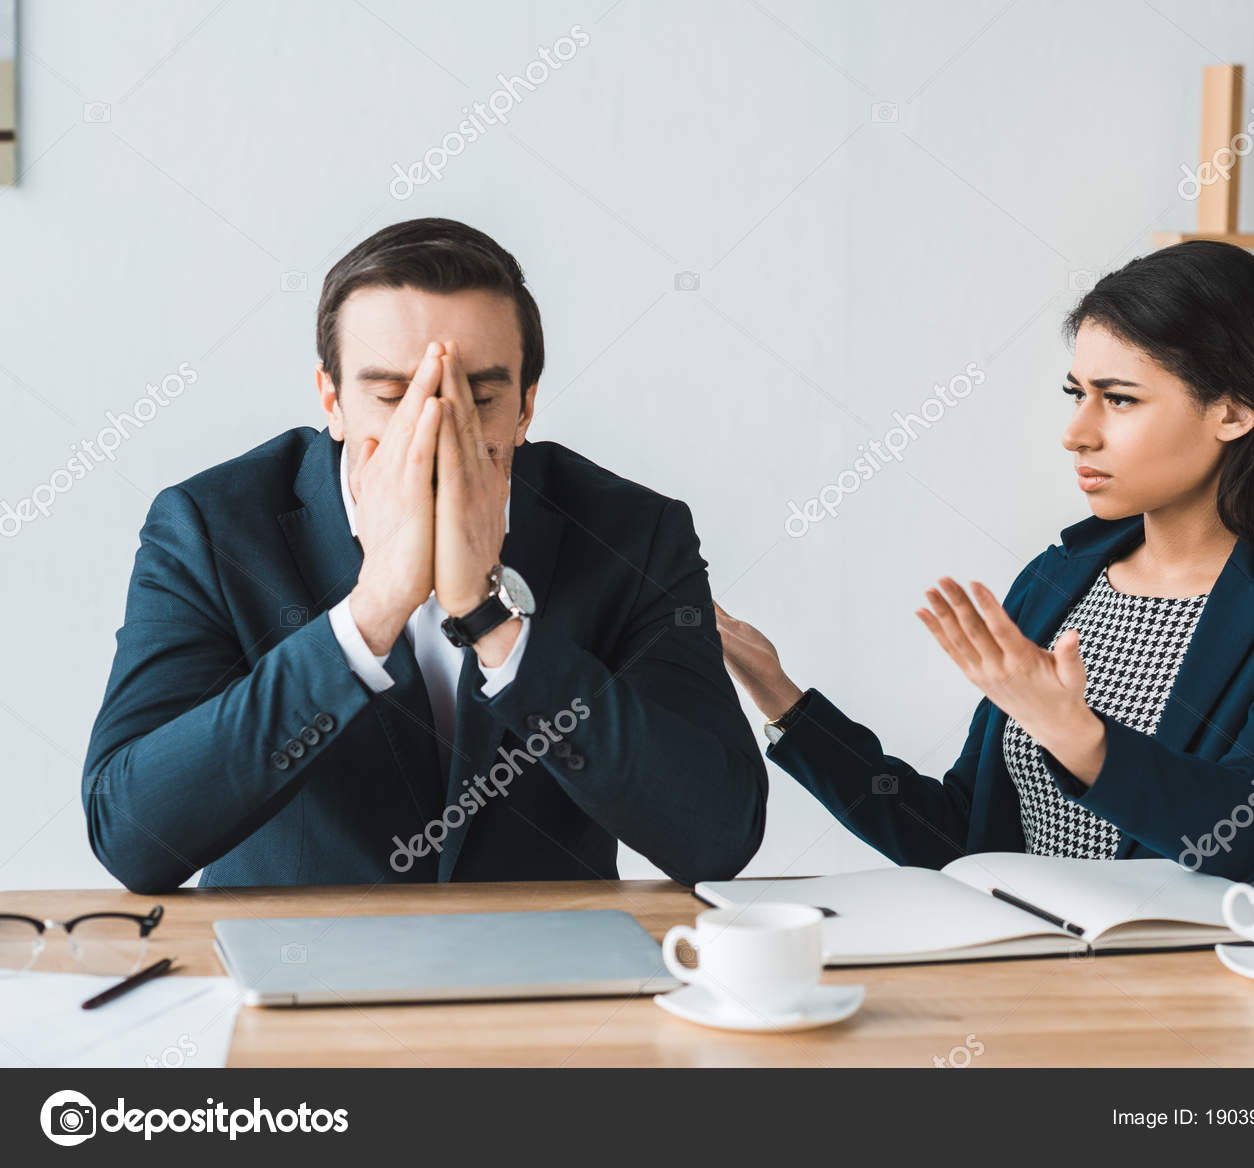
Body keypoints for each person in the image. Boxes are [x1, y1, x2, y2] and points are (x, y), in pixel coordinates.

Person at [83, 218, 766, 893]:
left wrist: (492, 621)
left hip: (542, 979)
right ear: (333, 400)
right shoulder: (210, 527)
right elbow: (134, 837)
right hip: (294, 973)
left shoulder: (633, 532)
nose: (435, 425)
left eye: (481, 396)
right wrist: (371, 610)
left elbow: (715, 835)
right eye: (391, 395)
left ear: (526, 407)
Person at [714, 240, 1254, 882]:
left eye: (1120, 399)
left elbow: (1251, 831)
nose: (1076, 433)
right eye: (1078, 394)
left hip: (1197, 991)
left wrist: (1075, 734)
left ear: (1232, 413)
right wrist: (783, 698)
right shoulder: (1059, 579)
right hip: (1027, 975)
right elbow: (960, 839)